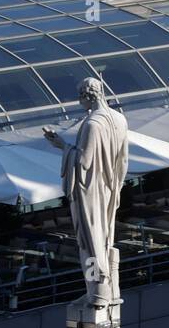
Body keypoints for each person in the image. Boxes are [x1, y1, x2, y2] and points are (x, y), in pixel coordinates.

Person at [44, 78, 129, 307]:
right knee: (104, 238)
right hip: (109, 188)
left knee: (89, 241)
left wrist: (61, 145)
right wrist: (116, 186)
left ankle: (97, 292)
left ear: (86, 96)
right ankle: (108, 289)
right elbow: (124, 160)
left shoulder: (93, 124)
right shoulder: (120, 119)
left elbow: (83, 160)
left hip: (90, 190)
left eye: (80, 97)